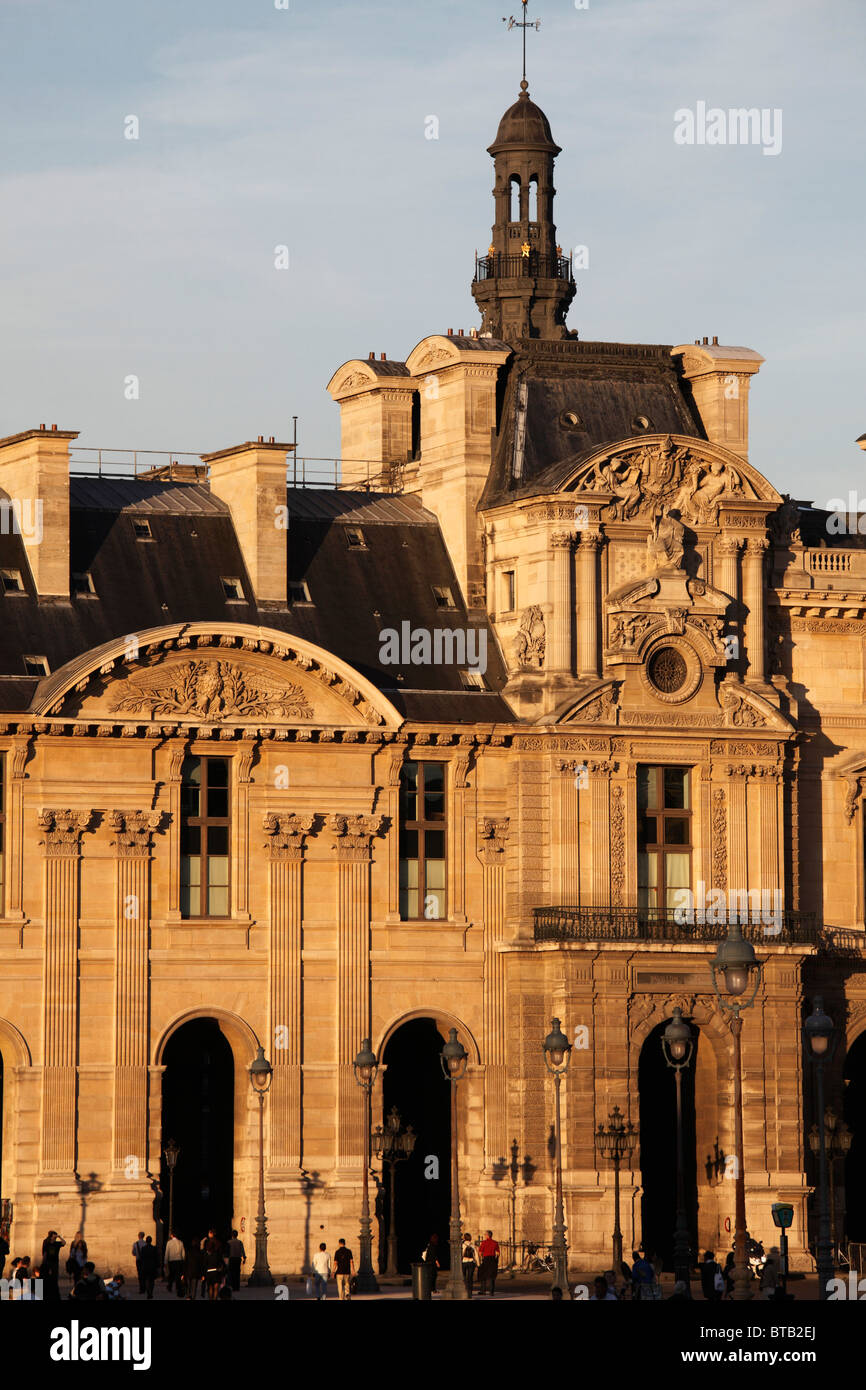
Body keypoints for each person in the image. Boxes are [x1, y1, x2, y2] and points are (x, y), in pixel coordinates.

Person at [40, 1231, 66, 1302]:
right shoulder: (46, 1242)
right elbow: (44, 1252)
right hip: (48, 1262)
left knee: (54, 1276)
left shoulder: (56, 1243)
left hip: (54, 1262)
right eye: (54, 1235)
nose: (55, 1236)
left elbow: (64, 1243)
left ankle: (53, 1287)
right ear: (51, 1235)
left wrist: (59, 1237)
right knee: (47, 1276)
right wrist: (43, 1262)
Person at [201, 1230, 224, 1300]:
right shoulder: (217, 1252)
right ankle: (215, 1298)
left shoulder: (207, 1254)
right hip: (216, 1271)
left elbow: (204, 1263)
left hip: (209, 1271)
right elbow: (221, 1261)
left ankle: (211, 1299)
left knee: (210, 1287)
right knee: (216, 1287)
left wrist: (203, 1274)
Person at [478, 1230, 500, 1297]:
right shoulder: (495, 1243)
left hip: (486, 1259)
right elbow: (498, 1253)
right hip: (492, 1259)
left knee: (483, 1275)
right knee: (492, 1276)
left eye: (485, 1235)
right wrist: (496, 1259)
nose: (484, 1236)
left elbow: (480, 1252)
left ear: (487, 1235)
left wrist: (481, 1258)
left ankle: (483, 1290)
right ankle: (491, 1291)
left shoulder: (484, 1242)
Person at [164, 1231, 185, 1296]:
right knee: (178, 1275)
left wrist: (165, 1261)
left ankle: (170, 1286)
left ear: (172, 1235)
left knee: (171, 1274)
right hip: (179, 1260)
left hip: (171, 1261)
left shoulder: (169, 1243)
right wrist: (183, 1260)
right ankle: (178, 1287)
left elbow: (167, 1252)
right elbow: (183, 1253)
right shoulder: (180, 1242)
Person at [138, 1235, 159, 1300]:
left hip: (145, 1266)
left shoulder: (143, 1249)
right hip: (152, 1266)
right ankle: (151, 1292)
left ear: (146, 1241)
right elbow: (156, 1258)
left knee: (146, 1280)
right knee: (152, 1281)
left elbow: (141, 1258)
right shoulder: (154, 1248)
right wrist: (157, 1266)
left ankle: (148, 1292)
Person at [184, 1237, 202, 1301]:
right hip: (195, 1272)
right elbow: (200, 1264)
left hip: (188, 1271)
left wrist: (183, 1273)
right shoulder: (199, 1253)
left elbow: (185, 1263)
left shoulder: (188, 1252)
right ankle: (193, 1297)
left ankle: (188, 1296)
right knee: (194, 1287)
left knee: (188, 1285)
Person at [461, 1233, 478, 1298]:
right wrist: (478, 1264)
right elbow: (476, 1255)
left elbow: (461, 1254)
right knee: (470, 1278)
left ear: (464, 1238)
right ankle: (470, 1292)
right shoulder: (472, 1245)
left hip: (464, 1262)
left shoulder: (462, 1245)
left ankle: (464, 1290)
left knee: (464, 1277)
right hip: (471, 1262)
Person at [132, 1231, 147, 1295]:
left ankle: (141, 1288)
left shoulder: (135, 1244)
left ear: (138, 1236)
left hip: (138, 1260)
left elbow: (133, 1253)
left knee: (140, 1274)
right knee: (144, 1274)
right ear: (144, 1236)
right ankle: (144, 1287)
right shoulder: (146, 1244)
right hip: (144, 1261)